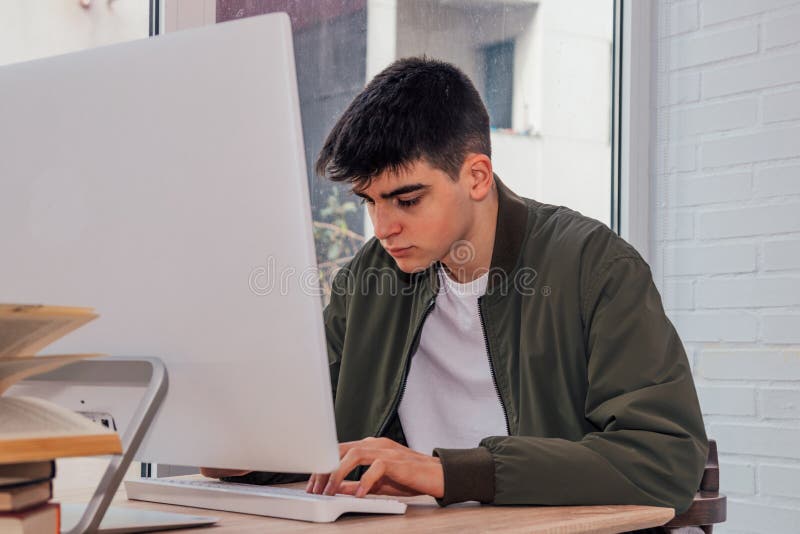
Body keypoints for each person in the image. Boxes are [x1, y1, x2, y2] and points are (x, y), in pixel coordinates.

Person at [202, 56, 707, 513]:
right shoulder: (367, 282)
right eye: (370, 201)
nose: (383, 228)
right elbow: (320, 440)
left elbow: (664, 458)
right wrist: (248, 457)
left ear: (477, 177)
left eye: (407, 199)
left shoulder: (593, 266)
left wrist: (451, 474)